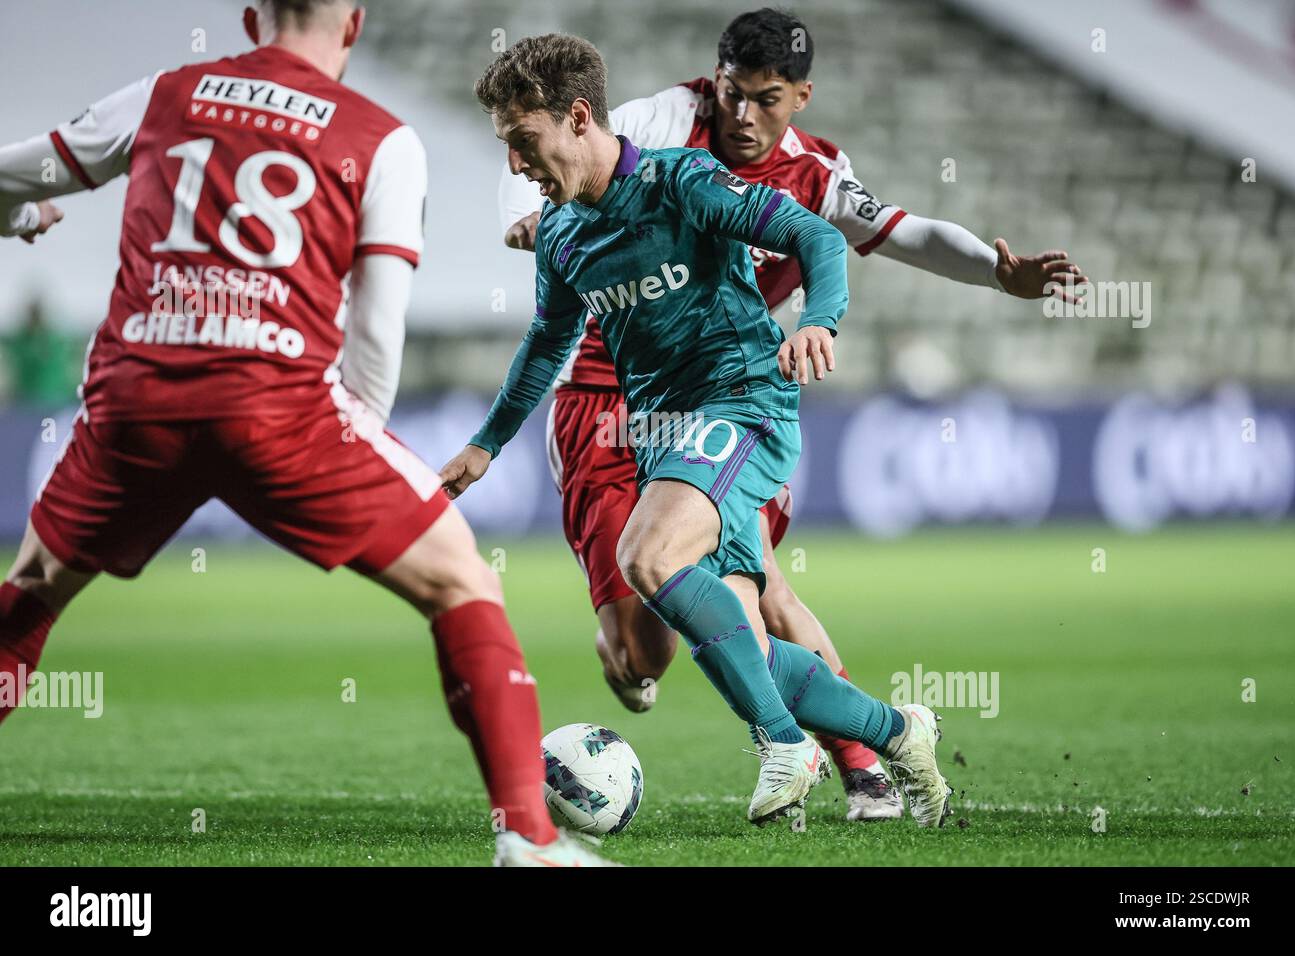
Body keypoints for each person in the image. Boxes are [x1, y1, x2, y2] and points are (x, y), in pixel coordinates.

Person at [0, 0, 610, 867]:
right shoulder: (383, 138)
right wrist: (347, 445)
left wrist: (19, 219)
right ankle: (529, 841)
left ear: (252, 17)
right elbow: (374, 336)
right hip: (279, 406)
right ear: (354, 23)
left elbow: (15, 177)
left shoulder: (165, 94)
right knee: (461, 579)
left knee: (32, 587)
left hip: (139, 396)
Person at [495, 8, 1085, 822]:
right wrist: (531, 216)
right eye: (732, 94)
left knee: (752, 592)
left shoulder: (817, 174)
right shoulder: (659, 120)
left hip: (728, 399)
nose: (742, 116)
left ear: (801, 96)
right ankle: (886, 730)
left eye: (765, 100)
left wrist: (996, 271)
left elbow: (905, 234)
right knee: (650, 648)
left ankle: (855, 765)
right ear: (714, 79)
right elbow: (547, 146)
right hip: (607, 398)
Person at [444, 33, 951, 827]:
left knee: (645, 554)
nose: (517, 167)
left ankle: (784, 743)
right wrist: (486, 444)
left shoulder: (684, 181)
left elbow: (815, 235)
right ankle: (897, 730)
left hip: (745, 403)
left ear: (579, 117)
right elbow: (546, 346)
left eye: (523, 143)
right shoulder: (565, 235)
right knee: (738, 633)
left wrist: (818, 321)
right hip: (665, 437)